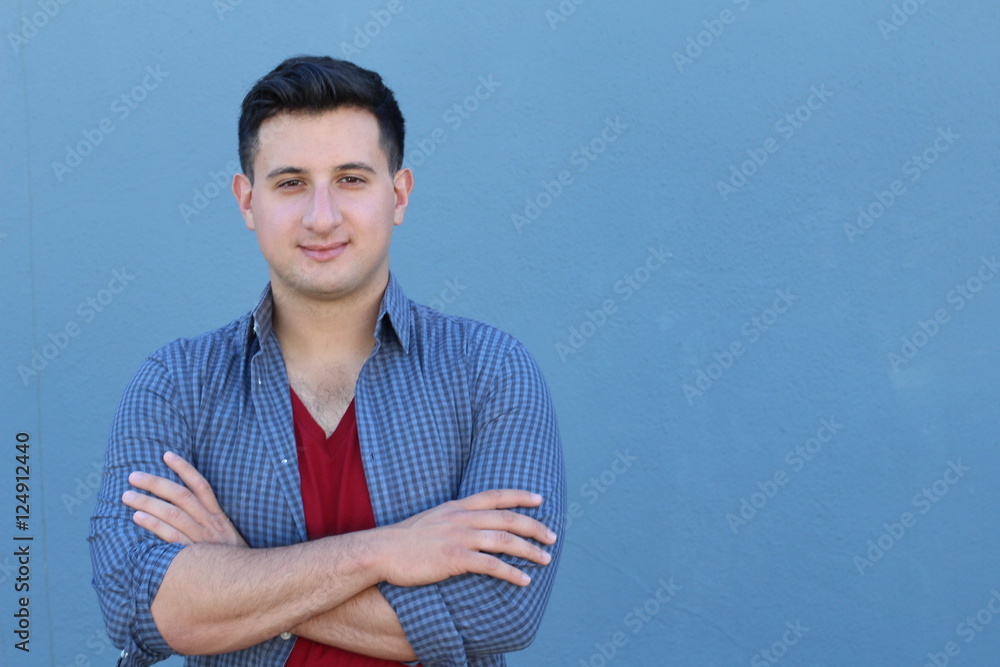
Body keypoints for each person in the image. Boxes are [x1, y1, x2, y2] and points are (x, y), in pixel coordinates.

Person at [88, 55, 566, 666]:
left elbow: (501, 612)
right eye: (290, 182)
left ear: (399, 194)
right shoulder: (175, 386)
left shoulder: (490, 372)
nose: (321, 217)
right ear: (246, 200)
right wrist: (386, 551)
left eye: (351, 179)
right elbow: (137, 604)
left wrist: (234, 571)